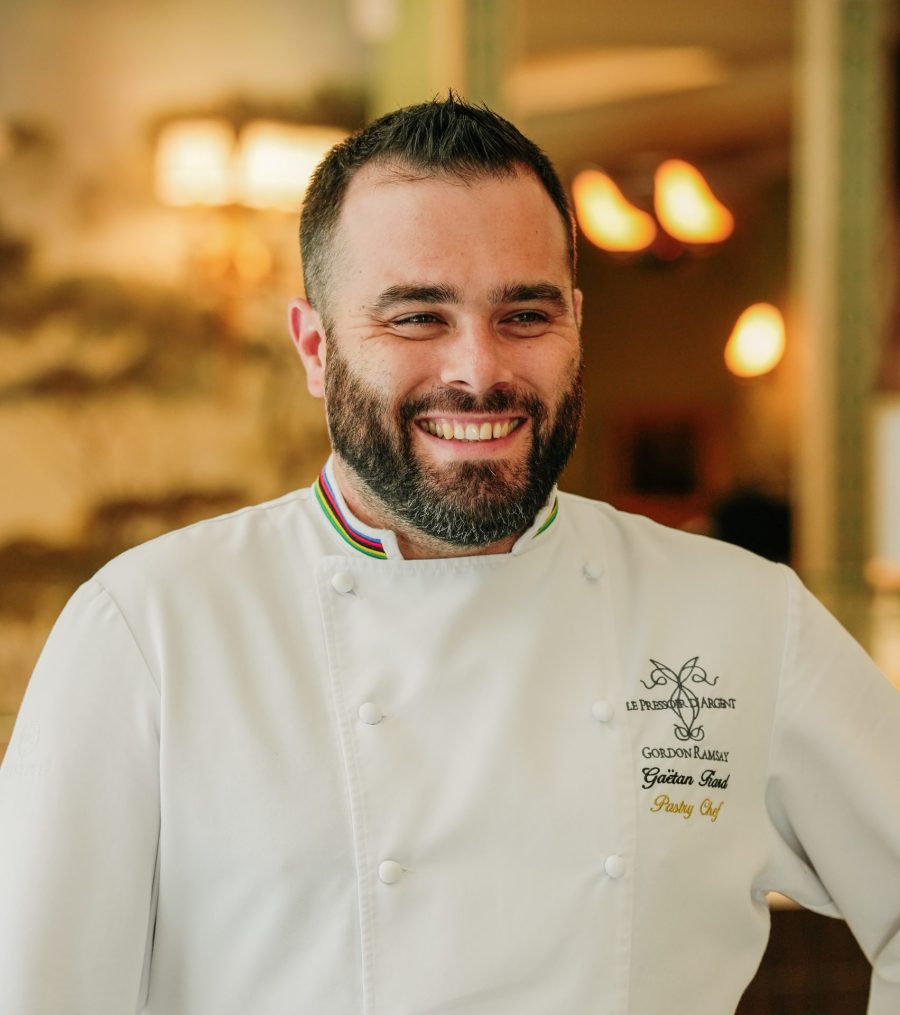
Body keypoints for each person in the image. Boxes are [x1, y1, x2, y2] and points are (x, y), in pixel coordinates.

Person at [1, 95, 899, 1015]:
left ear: (576, 324)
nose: (478, 369)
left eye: (524, 313)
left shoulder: (738, 615)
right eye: (418, 317)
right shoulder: (149, 630)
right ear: (316, 347)